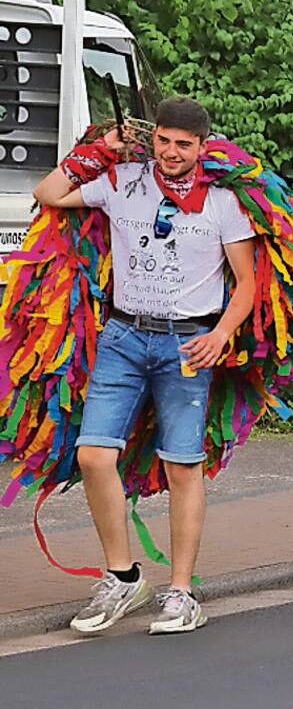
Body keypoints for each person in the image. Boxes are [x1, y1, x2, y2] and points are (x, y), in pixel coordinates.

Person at [32, 97, 258, 635]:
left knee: (182, 466)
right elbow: (48, 194)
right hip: (123, 336)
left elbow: (246, 283)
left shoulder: (223, 201)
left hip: (188, 345)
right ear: (151, 137)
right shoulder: (122, 181)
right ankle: (124, 578)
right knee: (92, 456)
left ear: (202, 146)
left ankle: (181, 594)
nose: (171, 152)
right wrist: (96, 152)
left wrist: (220, 335)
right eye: (163, 140)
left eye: (184, 144)